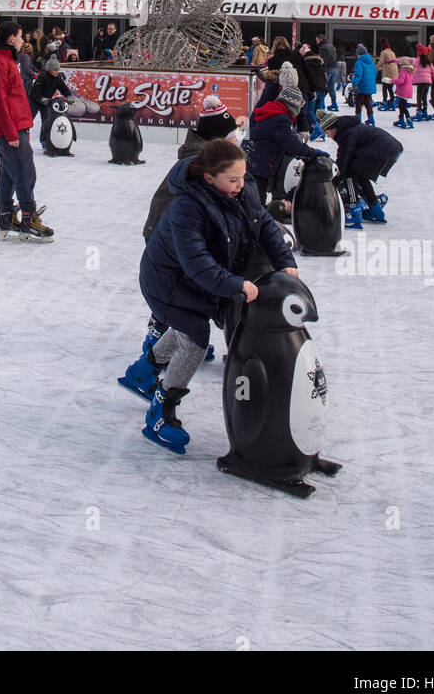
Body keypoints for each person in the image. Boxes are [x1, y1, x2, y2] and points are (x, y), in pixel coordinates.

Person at [129, 139, 297, 454]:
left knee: (186, 329)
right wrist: (233, 283)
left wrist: (286, 263)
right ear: (208, 178)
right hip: (167, 282)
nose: (240, 184)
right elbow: (197, 263)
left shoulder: (242, 191)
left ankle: (143, 371)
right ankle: (161, 411)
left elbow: (265, 227)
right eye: (232, 180)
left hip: (196, 281)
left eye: (243, 176)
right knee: (193, 339)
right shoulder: (186, 207)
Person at [0, 21, 53, 241]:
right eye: (20, 36)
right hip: (10, 129)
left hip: (17, 125)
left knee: (9, 175)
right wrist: (11, 133)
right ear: (11, 38)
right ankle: (29, 218)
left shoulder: (6, 61)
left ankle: (7, 217)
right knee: (24, 172)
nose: (23, 40)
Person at [143, 95, 242, 241]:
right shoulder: (199, 164)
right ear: (220, 140)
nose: (237, 140)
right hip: (165, 237)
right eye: (233, 135)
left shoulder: (208, 159)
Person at [317, 109, 403, 228]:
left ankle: (354, 210)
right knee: (360, 174)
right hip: (391, 148)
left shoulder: (345, 133)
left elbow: (343, 160)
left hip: (383, 149)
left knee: (349, 172)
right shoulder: (347, 128)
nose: (328, 136)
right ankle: (375, 210)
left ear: (333, 128)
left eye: (327, 132)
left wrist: (333, 183)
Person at [243, 85, 327, 203]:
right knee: (256, 202)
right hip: (257, 164)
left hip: (251, 158)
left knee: (253, 199)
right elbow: (293, 146)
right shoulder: (280, 118)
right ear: (293, 105)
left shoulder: (273, 111)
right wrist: (316, 153)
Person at [29, 56, 74, 150]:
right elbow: (34, 91)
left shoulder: (57, 78)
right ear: (49, 69)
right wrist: (41, 98)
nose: (57, 72)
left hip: (46, 102)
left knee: (46, 122)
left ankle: (44, 141)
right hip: (35, 101)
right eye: (54, 70)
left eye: (58, 70)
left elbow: (63, 88)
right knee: (28, 120)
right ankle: (22, 138)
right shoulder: (42, 77)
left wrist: (69, 96)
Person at [299, 43, 327, 136]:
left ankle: (318, 130)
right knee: (319, 110)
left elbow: (308, 78)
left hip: (314, 88)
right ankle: (321, 127)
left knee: (310, 110)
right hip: (322, 88)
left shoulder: (306, 63)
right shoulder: (319, 63)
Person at [351, 43, 377, 124]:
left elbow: (358, 74)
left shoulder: (359, 62)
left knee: (358, 102)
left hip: (362, 86)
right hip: (370, 85)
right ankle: (371, 119)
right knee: (367, 102)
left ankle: (357, 120)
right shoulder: (371, 62)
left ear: (359, 54)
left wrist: (354, 84)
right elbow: (375, 72)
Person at [412, 45, 434, 122]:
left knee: (419, 97)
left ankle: (419, 112)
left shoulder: (416, 60)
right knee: (424, 97)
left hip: (420, 82)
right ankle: (425, 112)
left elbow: (411, 69)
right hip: (427, 82)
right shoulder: (428, 62)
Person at [315, 33, 339, 110]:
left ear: (320, 39)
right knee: (331, 86)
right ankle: (334, 103)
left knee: (322, 86)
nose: (316, 42)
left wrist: (323, 70)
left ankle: (321, 105)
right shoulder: (331, 46)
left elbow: (324, 60)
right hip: (335, 67)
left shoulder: (322, 48)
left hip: (328, 68)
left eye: (317, 40)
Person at [376, 37, 399, 112]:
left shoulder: (384, 52)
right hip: (394, 72)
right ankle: (392, 102)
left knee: (385, 87)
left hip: (388, 72)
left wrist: (375, 68)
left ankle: (385, 102)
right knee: (390, 88)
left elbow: (381, 61)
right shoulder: (392, 52)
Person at [392, 58, 415, 129]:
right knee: (401, 106)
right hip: (408, 91)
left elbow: (400, 81)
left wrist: (391, 81)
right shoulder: (410, 71)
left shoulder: (403, 71)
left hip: (403, 91)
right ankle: (401, 119)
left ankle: (408, 120)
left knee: (403, 107)